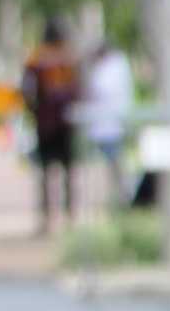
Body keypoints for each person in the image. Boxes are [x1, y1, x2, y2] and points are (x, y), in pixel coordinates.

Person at [21, 16, 81, 229]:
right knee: (67, 171)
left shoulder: (37, 60)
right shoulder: (69, 60)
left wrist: (33, 111)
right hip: (66, 122)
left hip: (46, 123)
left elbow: (27, 91)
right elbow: (79, 90)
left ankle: (48, 218)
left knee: (47, 172)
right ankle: (69, 216)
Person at [78, 36, 135, 210]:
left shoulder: (113, 68)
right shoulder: (115, 66)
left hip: (111, 126)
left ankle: (123, 197)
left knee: (115, 164)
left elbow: (99, 89)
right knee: (110, 165)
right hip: (106, 125)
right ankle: (118, 197)